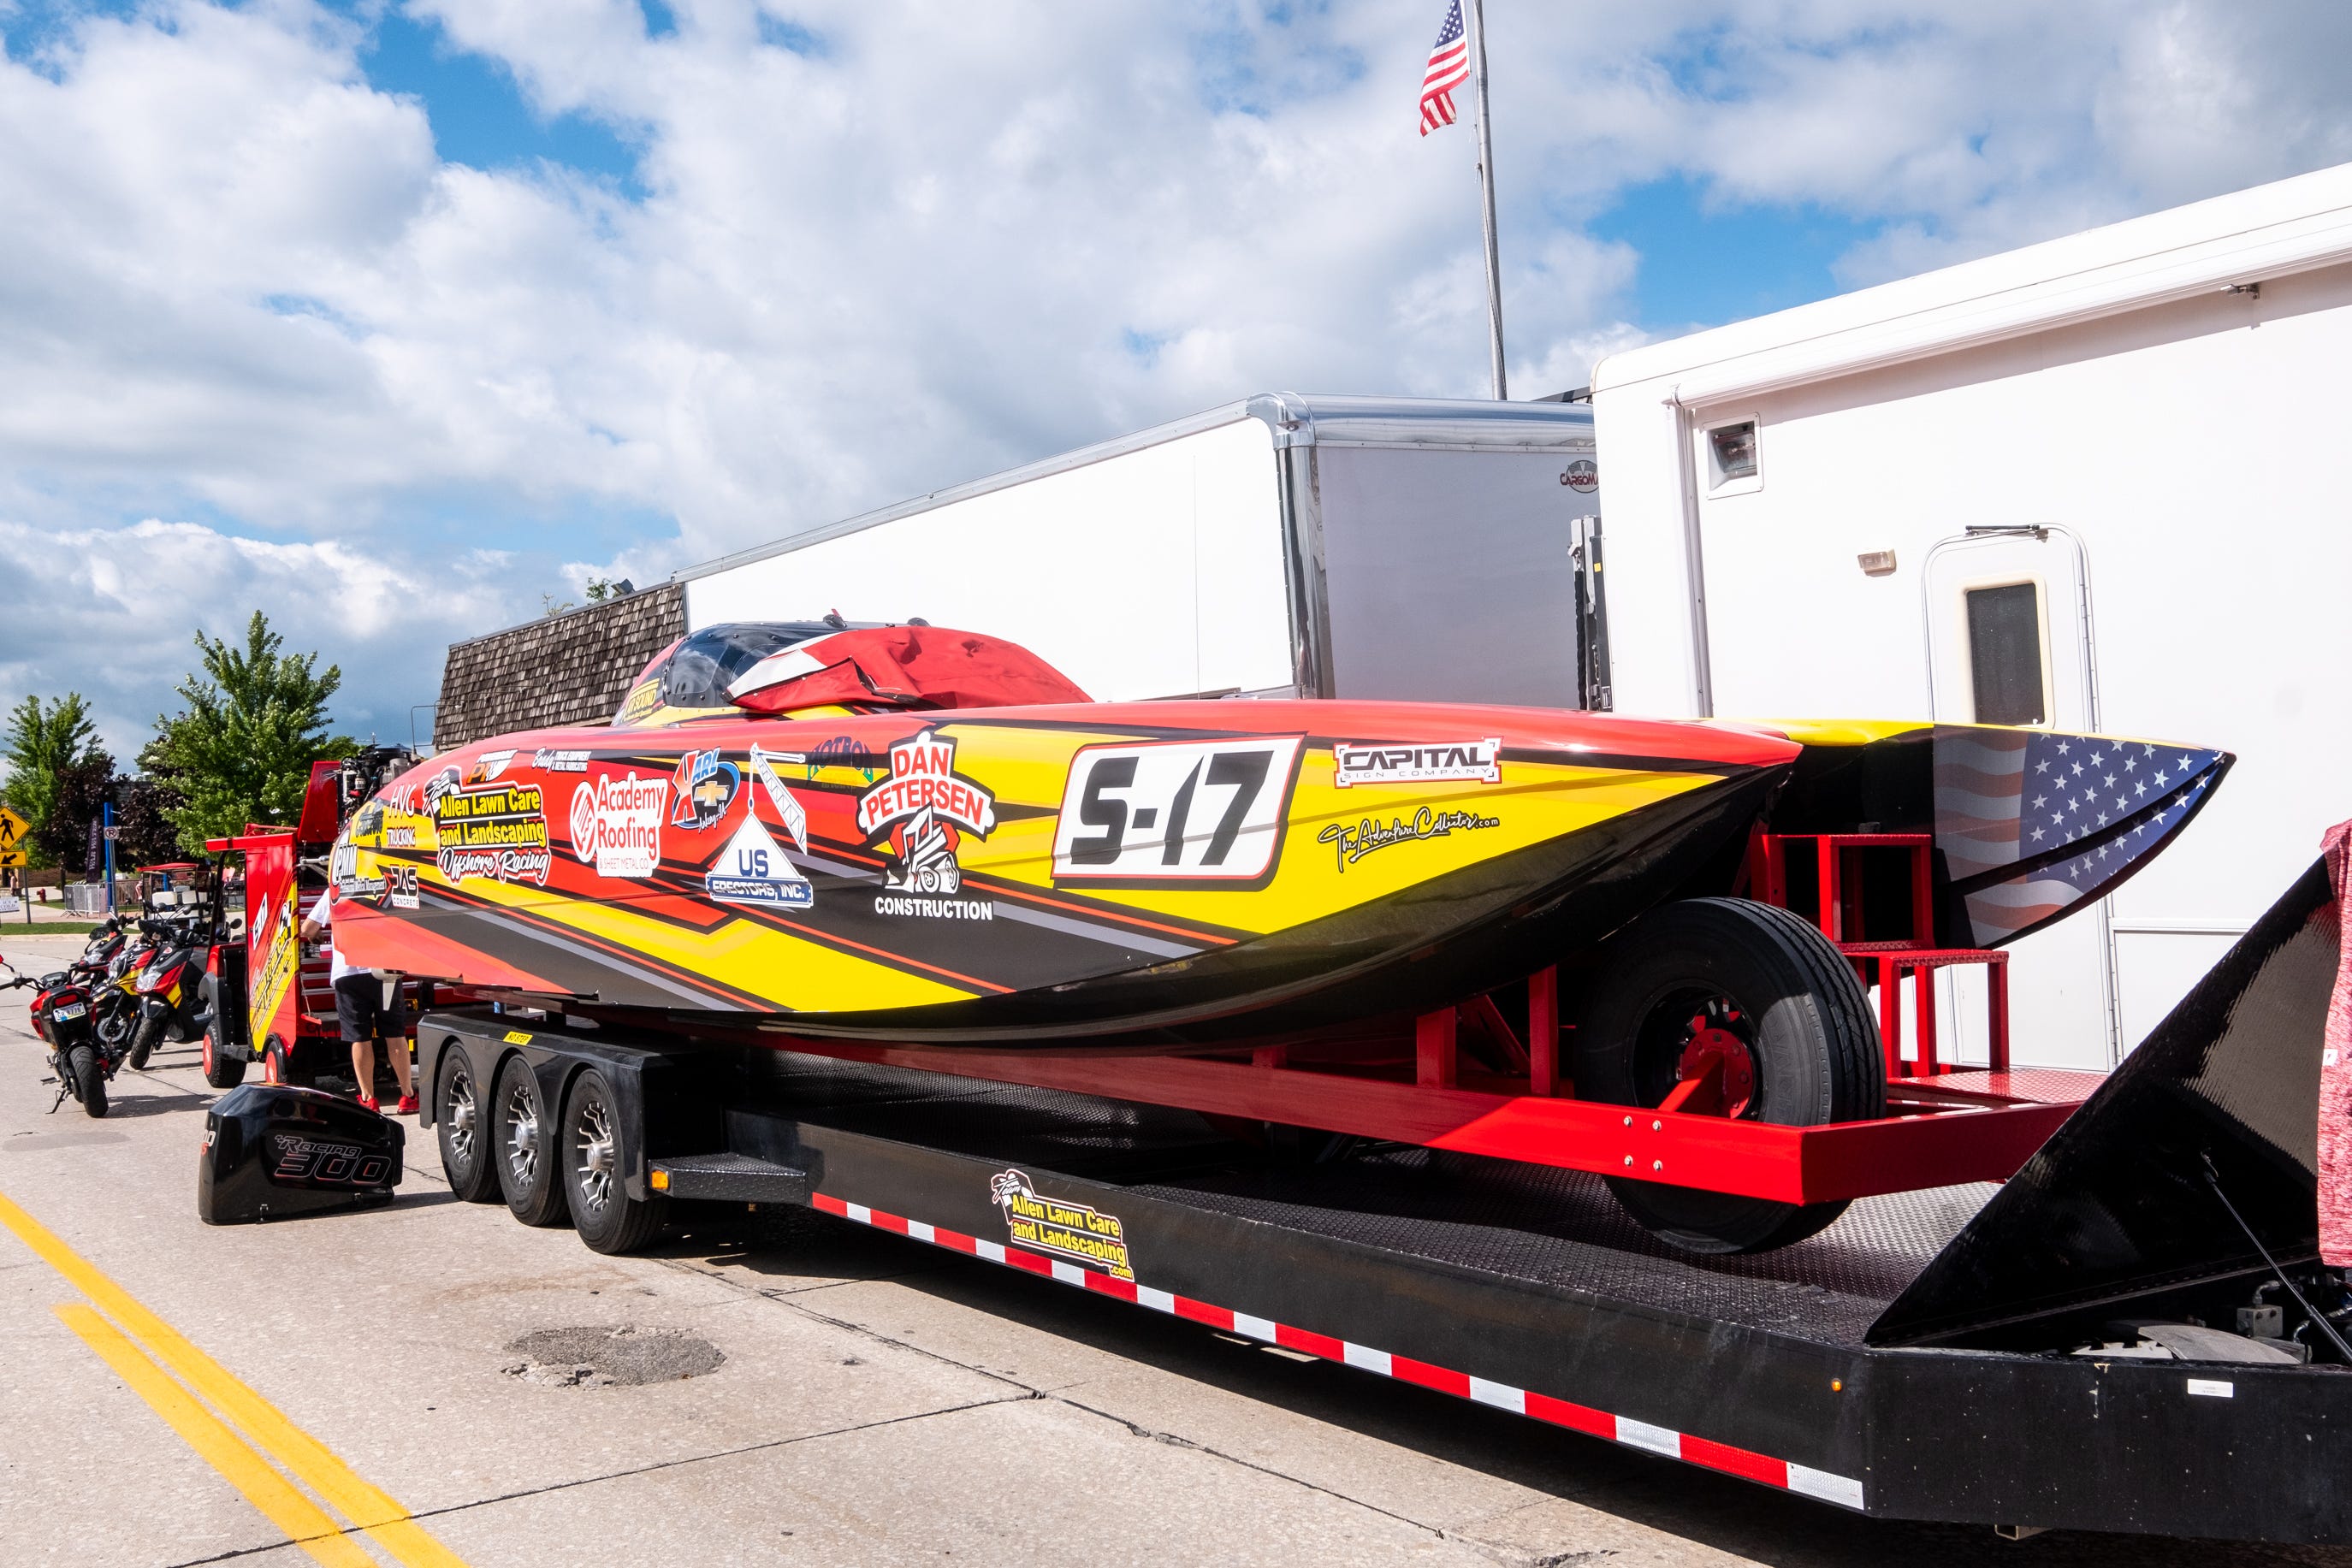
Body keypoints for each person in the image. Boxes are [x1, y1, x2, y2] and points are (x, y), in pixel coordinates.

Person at [298, 885, 416, 1115]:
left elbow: (308, 929)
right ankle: (408, 1096)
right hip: (385, 970)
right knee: (394, 1033)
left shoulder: (335, 889)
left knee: (359, 1037)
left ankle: (368, 1098)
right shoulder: (387, 883)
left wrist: (318, 936)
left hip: (348, 973)